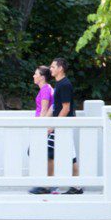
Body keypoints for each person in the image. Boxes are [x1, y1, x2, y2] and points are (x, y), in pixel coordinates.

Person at [47, 57, 82, 194]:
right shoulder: (59, 84)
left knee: (49, 152)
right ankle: (76, 186)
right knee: (70, 155)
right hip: (62, 124)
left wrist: (54, 125)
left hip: (63, 125)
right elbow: (57, 106)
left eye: (53, 67)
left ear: (60, 68)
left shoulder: (65, 84)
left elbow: (66, 108)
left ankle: (49, 185)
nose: (51, 69)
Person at [29, 66, 54, 194]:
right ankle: (46, 184)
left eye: (35, 74)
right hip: (45, 126)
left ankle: (46, 185)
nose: (34, 76)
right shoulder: (46, 88)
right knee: (44, 155)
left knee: (39, 153)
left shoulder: (45, 89)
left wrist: (40, 126)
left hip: (44, 127)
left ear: (42, 77)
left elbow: (44, 109)